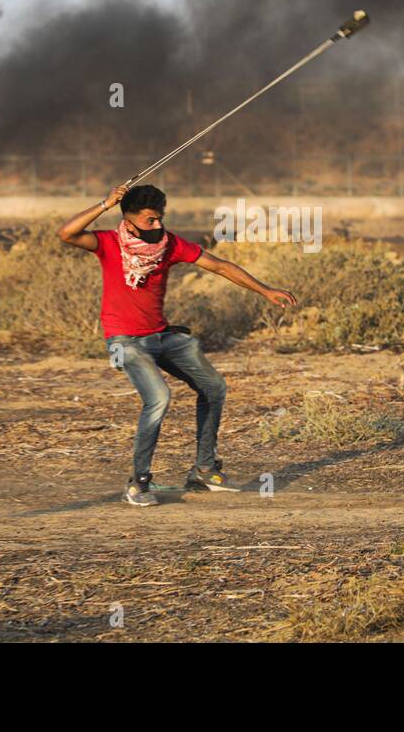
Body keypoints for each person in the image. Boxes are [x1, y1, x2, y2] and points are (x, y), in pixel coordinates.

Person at [58, 182, 298, 506]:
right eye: (149, 221)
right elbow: (67, 234)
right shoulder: (108, 242)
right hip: (124, 341)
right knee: (158, 397)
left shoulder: (170, 246)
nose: (157, 226)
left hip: (163, 335)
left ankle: (204, 469)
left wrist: (265, 290)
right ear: (128, 221)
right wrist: (104, 204)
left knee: (213, 387)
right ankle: (138, 482)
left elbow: (219, 265)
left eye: (159, 218)